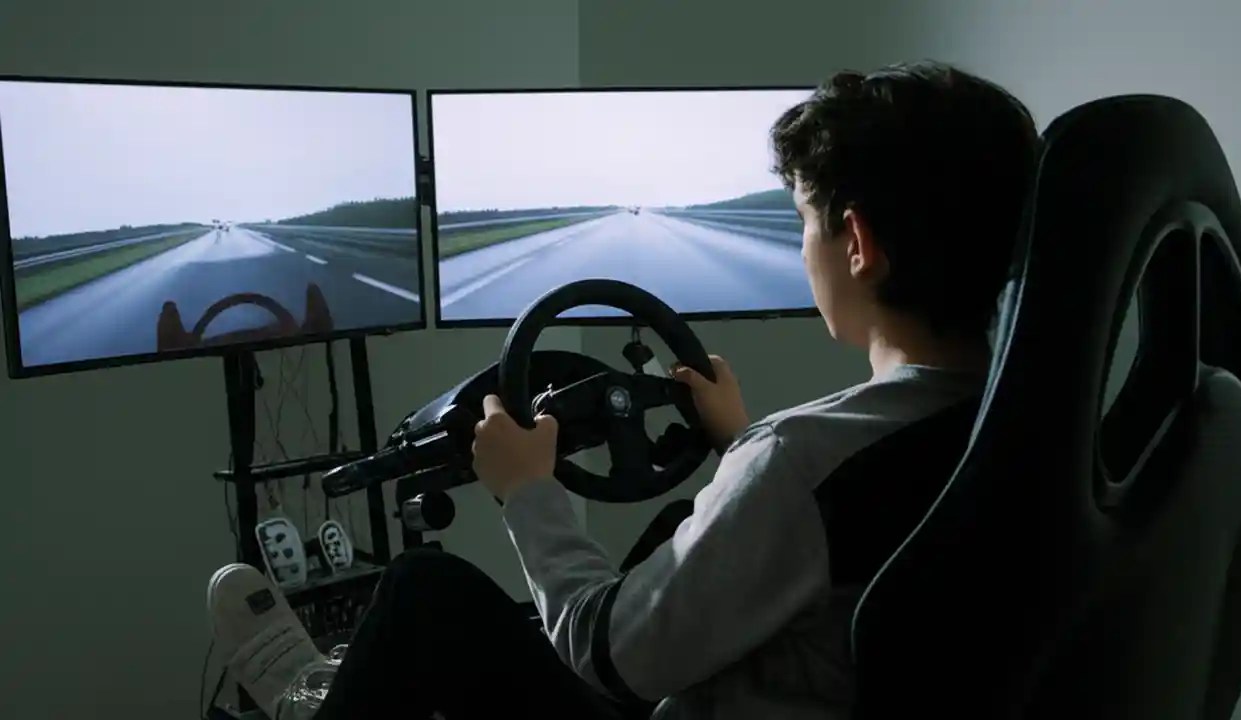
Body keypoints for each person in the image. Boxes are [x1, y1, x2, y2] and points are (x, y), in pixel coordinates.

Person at [206, 60, 1039, 719]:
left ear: (855, 241)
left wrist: (528, 492)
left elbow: (612, 660)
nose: (805, 248)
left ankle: (318, 704)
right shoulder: (1027, 426)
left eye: (806, 222)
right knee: (681, 521)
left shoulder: (796, 465)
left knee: (425, 593)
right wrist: (735, 449)